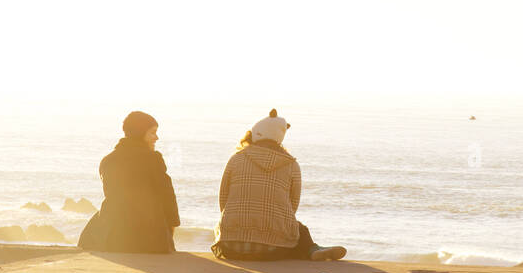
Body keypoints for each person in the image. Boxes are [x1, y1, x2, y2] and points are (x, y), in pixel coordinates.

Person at [212, 109, 345, 261]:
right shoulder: (291, 165)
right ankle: (311, 250)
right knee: (299, 229)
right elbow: (292, 206)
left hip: (230, 246)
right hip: (273, 251)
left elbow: (223, 199)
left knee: (228, 222)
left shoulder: (236, 159)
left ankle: (312, 250)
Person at [79, 110, 179, 253]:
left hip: (113, 235)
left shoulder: (108, 160)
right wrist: (171, 228)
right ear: (139, 134)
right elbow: (167, 196)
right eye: (152, 132)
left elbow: (112, 197)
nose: (156, 137)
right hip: (148, 237)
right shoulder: (152, 159)